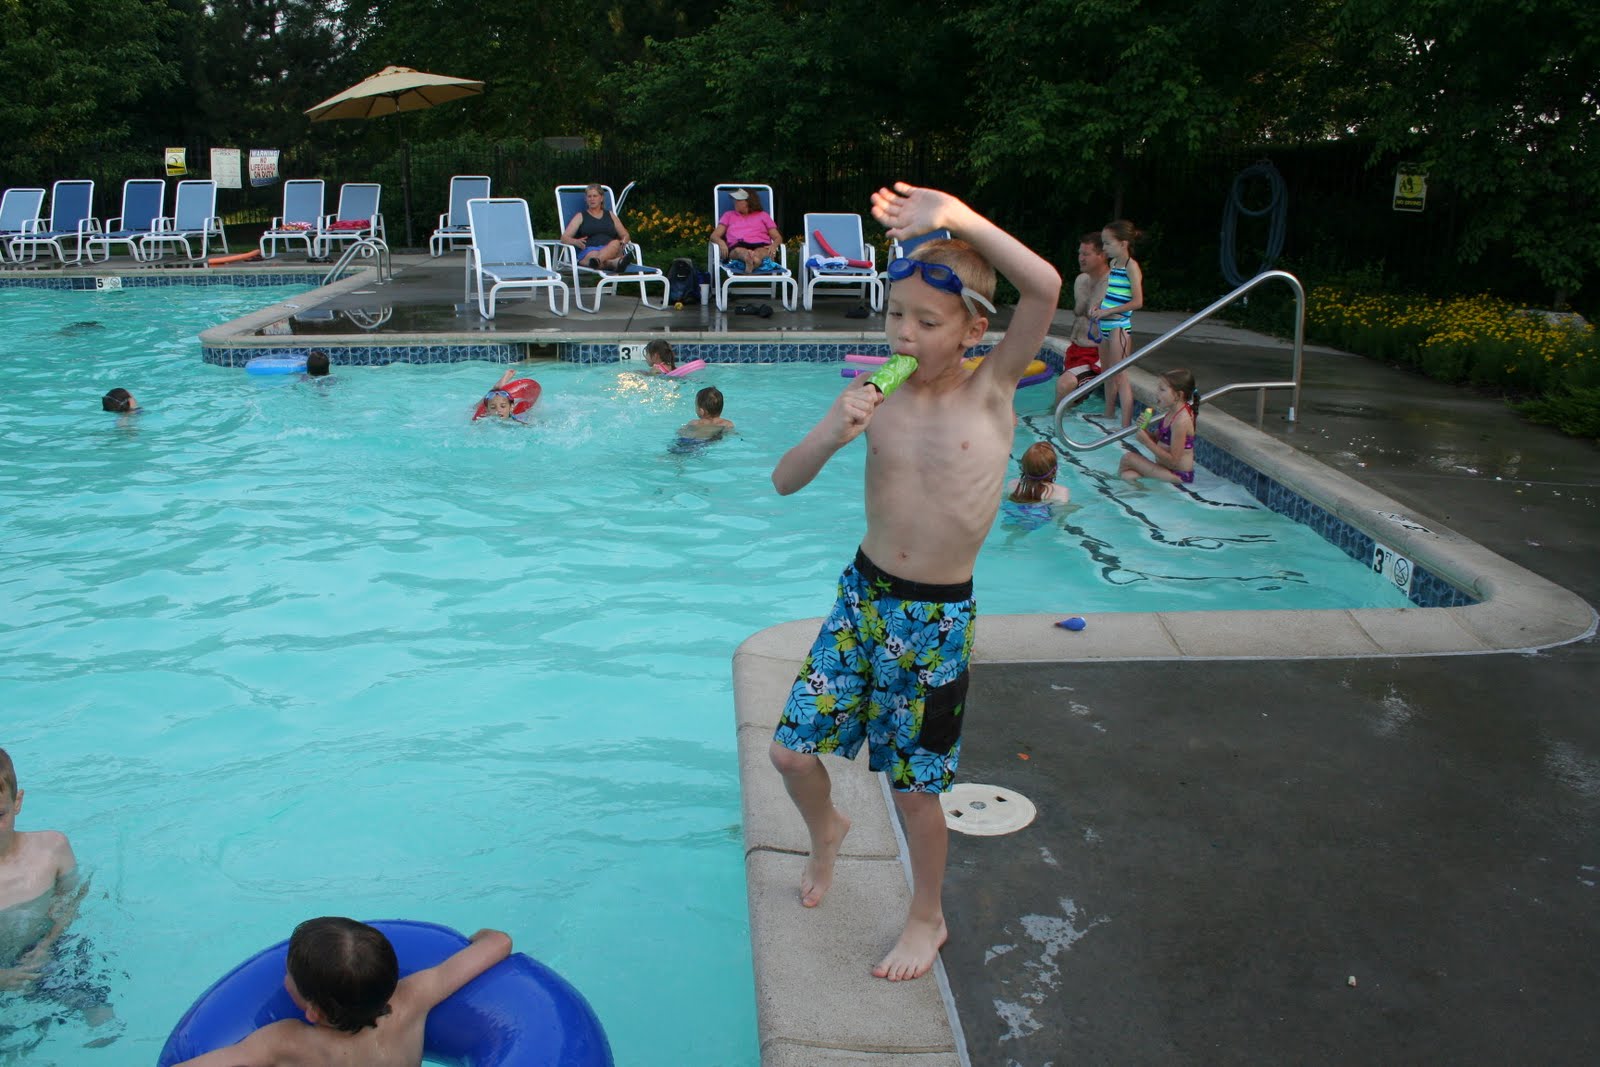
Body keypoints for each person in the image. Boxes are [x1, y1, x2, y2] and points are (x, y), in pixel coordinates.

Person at [768, 182, 1060, 982]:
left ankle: (926, 918)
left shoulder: (991, 390)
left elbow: (1045, 287)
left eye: (926, 323)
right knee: (791, 756)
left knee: (914, 793)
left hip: (934, 624)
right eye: (895, 316)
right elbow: (784, 481)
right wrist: (831, 432)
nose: (904, 333)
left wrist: (959, 219)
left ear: (974, 328)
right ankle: (825, 826)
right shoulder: (876, 395)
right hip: (861, 600)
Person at [172, 918, 512, 1067]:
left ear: (314, 1012)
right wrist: (475, 934)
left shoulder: (286, 1042)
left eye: (288, 975)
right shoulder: (414, 997)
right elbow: (499, 942)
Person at [0, 747, 83, 995]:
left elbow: (70, 901)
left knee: (98, 1011)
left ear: (17, 802)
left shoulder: (53, 850)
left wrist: (47, 945)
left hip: (47, 950)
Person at [1087, 220, 1144, 426]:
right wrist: (1098, 308)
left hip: (1119, 326)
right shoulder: (1113, 265)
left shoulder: (1132, 267)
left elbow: (1137, 302)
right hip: (1105, 324)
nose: (1104, 248)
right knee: (1107, 372)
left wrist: (1108, 311)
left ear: (1123, 244)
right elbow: (1114, 294)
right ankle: (1109, 414)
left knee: (1120, 375)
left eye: (1108, 243)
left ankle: (1125, 425)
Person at [1055, 232, 1110, 407]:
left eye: (1086, 254)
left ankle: (1051, 425)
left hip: (1095, 354)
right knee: (1066, 396)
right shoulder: (1081, 280)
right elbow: (1081, 311)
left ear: (1103, 255)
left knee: (1065, 385)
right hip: (1075, 349)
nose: (1081, 258)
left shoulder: (1113, 284)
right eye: (1080, 253)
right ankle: (1054, 422)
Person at [1120, 369, 1200, 485]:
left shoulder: (1181, 421)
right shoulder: (1172, 413)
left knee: (1128, 458)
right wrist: (1144, 430)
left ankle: (1108, 487)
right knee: (1128, 475)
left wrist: (1146, 442)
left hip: (1178, 475)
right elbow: (1159, 440)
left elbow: (1174, 461)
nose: (1157, 393)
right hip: (1165, 469)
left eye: (1162, 390)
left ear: (1178, 395)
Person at [560, 184, 632, 273]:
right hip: (590, 250)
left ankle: (598, 260)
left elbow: (625, 235)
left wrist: (622, 243)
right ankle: (613, 263)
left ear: (601, 198)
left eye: (595, 196)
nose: (592, 199)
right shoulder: (580, 216)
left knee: (615, 243)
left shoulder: (610, 215)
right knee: (593, 256)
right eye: (589, 196)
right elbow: (564, 238)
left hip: (611, 249)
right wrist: (576, 242)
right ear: (586, 199)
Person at [710, 188, 782, 275]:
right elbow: (714, 236)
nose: (735, 202)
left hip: (761, 244)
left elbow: (777, 237)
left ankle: (752, 261)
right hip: (737, 245)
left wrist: (774, 245)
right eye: (735, 199)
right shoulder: (728, 215)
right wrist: (721, 242)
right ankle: (751, 259)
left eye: (739, 200)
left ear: (748, 202)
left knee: (761, 252)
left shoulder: (763, 215)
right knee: (739, 251)